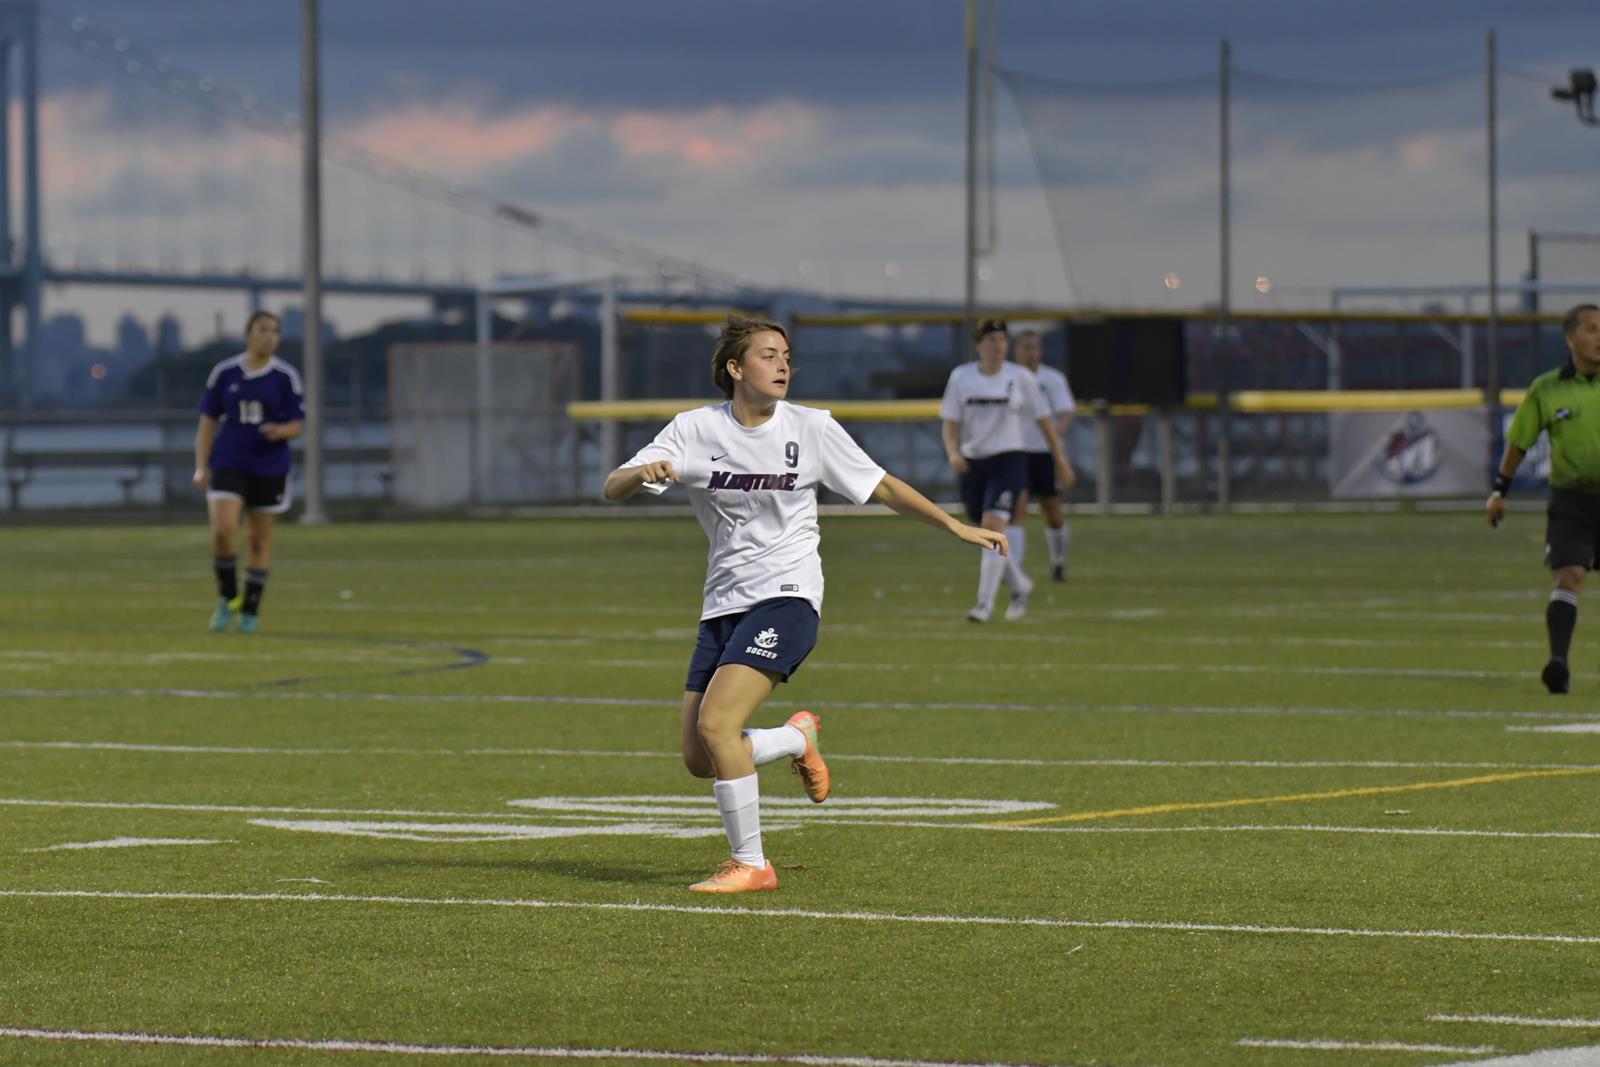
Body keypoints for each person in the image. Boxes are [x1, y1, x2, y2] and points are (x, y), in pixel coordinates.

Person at [603, 315, 1006, 893]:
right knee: (700, 755)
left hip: (788, 597)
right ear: (735, 369)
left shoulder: (811, 428)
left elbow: (884, 486)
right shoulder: (694, 429)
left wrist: (954, 526)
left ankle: (752, 864)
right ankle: (796, 738)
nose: (783, 365)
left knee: (719, 726)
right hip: (722, 604)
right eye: (768, 356)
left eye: (787, 355)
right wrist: (642, 472)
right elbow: (614, 485)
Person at [1488, 302, 1600, 693]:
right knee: (1568, 576)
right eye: (1591, 329)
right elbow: (1519, 442)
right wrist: (1500, 490)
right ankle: (1559, 664)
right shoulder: (1547, 388)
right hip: (1572, 502)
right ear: (1571, 338)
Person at [940, 319, 1073, 622]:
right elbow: (950, 424)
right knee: (980, 533)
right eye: (991, 340)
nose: (998, 346)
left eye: (1002, 340)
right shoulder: (961, 378)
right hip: (975, 464)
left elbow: (1044, 422)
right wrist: (953, 453)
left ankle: (984, 604)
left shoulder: (1021, 377)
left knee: (992, 526)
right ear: (979, 345)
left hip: (1010, 461)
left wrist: (1061, 461)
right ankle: (1020, 583)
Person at [193, 310, 303, 634]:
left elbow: (298, 425)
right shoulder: (225, 373)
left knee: (257, 538)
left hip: (269, 465)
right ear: (249, 335)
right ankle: (227, 597)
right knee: (223, 530)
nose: (270, 336)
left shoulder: (285, 377)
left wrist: (281, 431)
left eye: (275, 331)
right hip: (228, 460)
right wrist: (201, 466)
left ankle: (250, 609)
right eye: (263, 330)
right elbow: (207, 424)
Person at [1010, 328, 1078, 582]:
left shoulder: (1052, 379)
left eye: (1035, 347)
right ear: (1016, 350)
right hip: (1014, 452)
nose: (1032, 353)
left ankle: (1058, 562)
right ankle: (1013, 568)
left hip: (1043, 453)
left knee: (1051, 511)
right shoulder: (1008, 378)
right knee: (1016, 510)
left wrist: (1056, 434)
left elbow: (1066, 410)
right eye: (1026, 347)